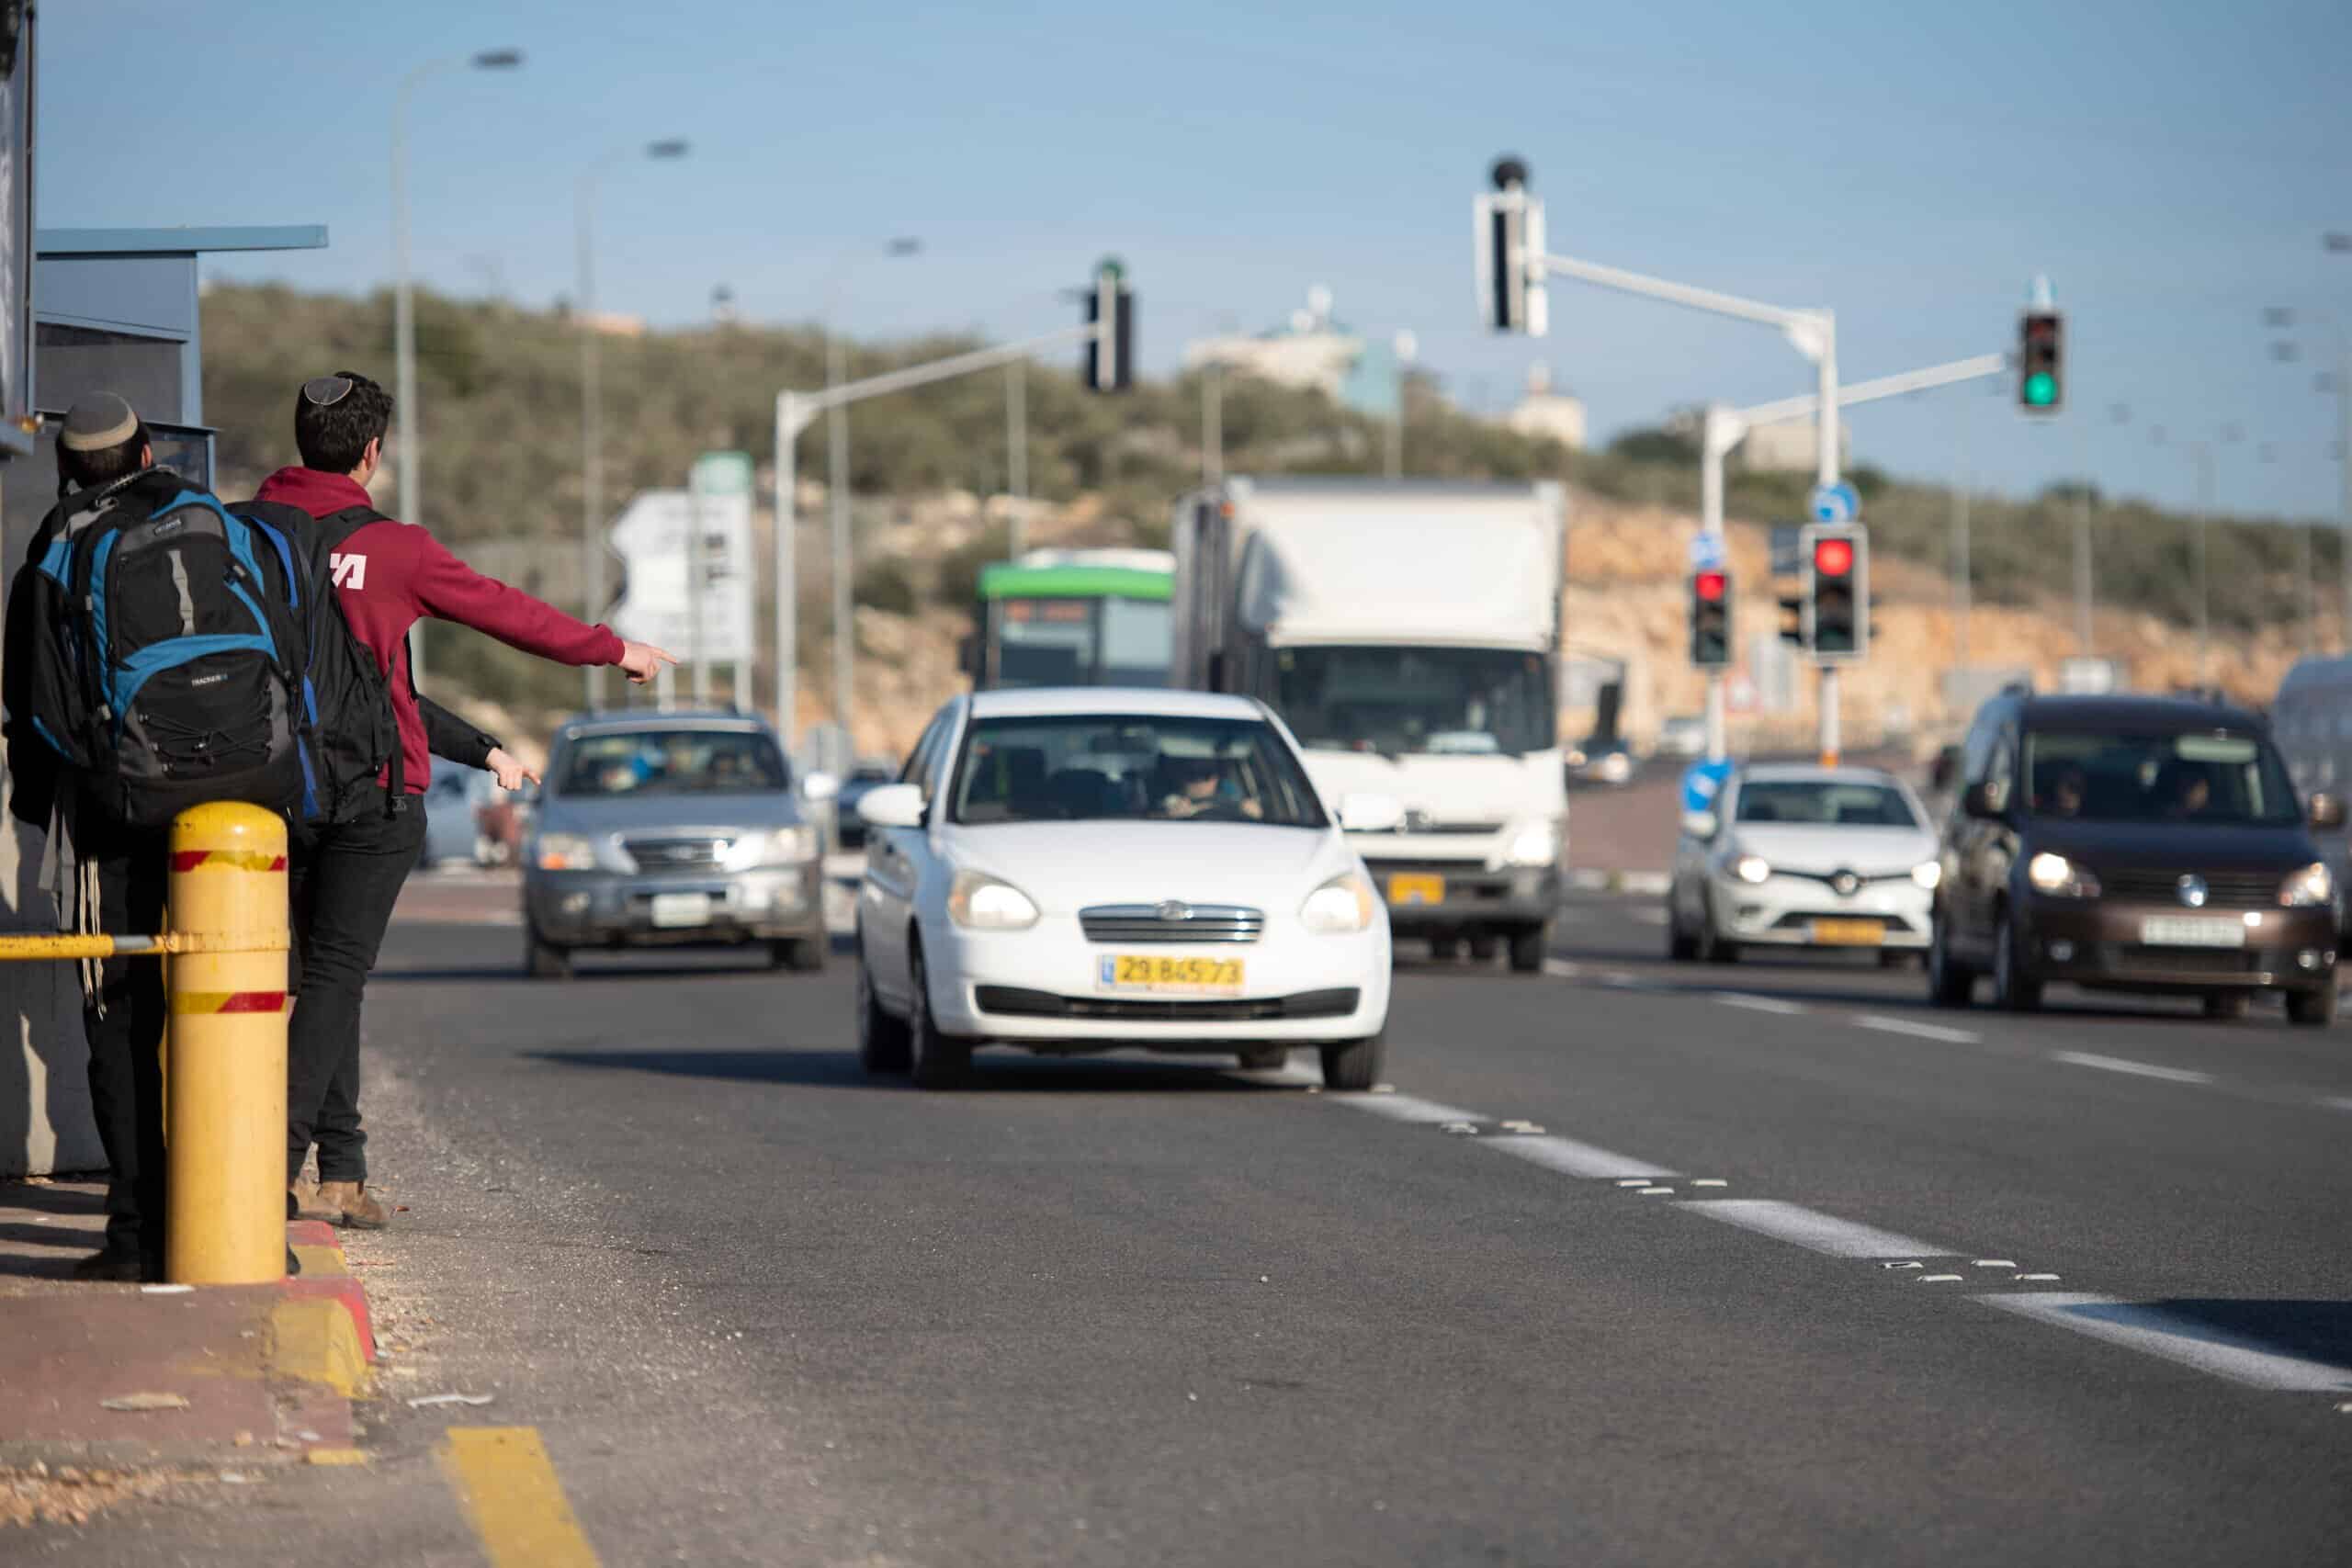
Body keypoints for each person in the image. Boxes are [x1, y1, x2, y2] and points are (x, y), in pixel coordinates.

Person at [249, 370, 673, 1228]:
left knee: (330, 979)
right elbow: (505, 612)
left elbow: (364, 688)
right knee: (335, 977)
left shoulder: (244, 533)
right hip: (372, 795)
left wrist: (482, 751)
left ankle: (342, 1170)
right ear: (372, 452)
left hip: (275, 789)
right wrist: (611, 647)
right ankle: (267, 1172)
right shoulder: (395, 548)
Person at [3, 398, 210, 1277]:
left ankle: (135, 1235)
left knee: (121, 1014)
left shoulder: (57, 546)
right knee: (221, 1002)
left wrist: (56, 804)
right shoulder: (204, 518)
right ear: (150, 449)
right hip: (228, 803)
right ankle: (236, 1215)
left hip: (113, 812)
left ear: (66, 466)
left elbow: (36, 710)